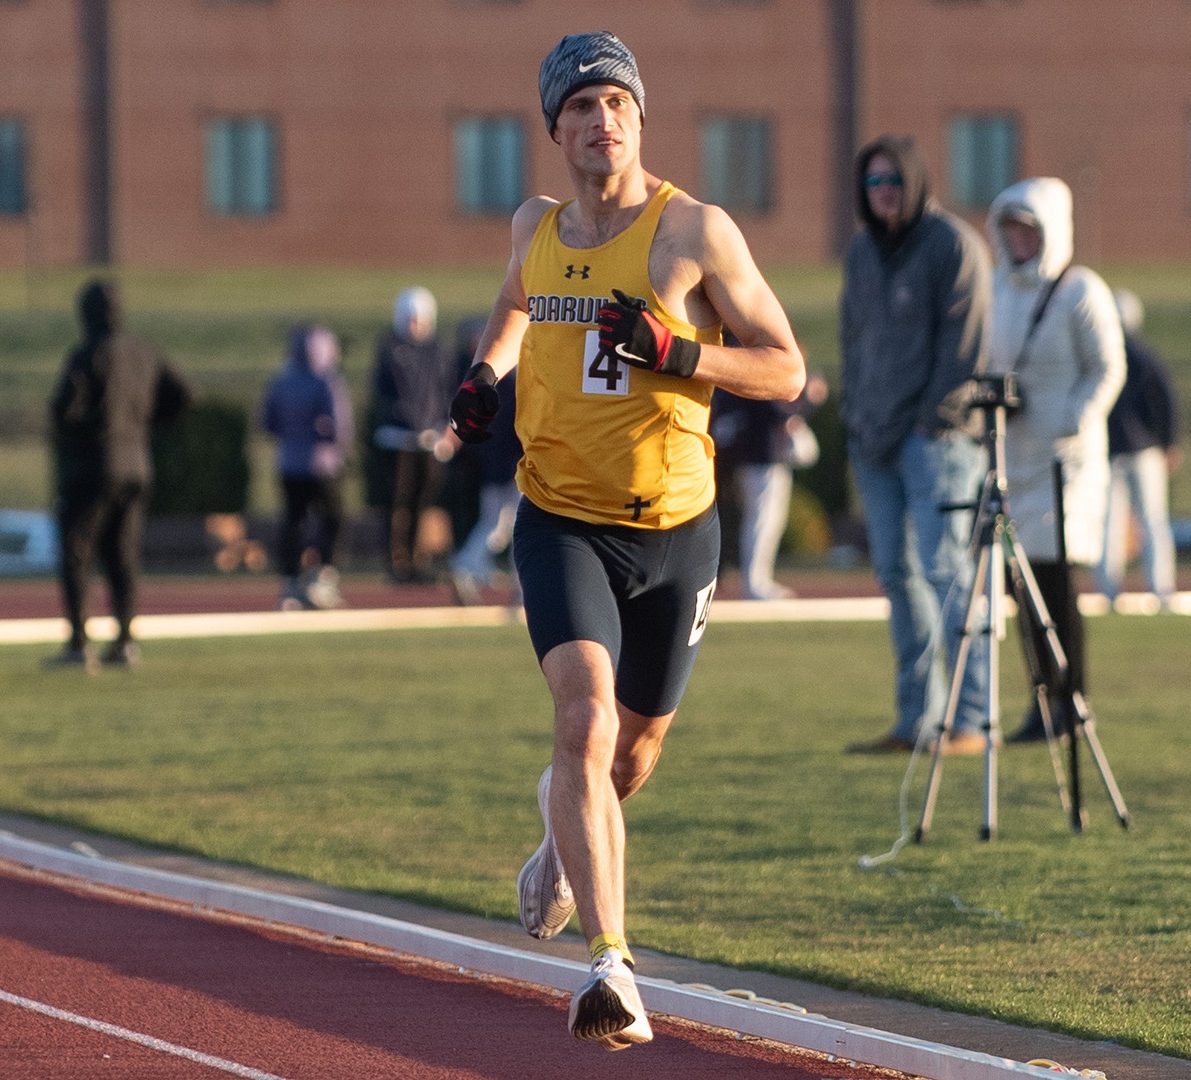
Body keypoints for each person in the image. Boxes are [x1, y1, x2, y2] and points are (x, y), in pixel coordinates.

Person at [445, 31, 804, 1051]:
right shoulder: (537, 226)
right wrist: (485, 379)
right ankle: (612, 964)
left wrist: (680, 353)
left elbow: (786, 370)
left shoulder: (692, 231)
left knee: (632, 757)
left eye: (619, 105)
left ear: (640, 119)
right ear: (554, 127)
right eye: (582, 108)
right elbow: (515, 307)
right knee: (586, 720)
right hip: (560, 519)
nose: (602, 122)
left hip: (675, 532)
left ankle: (561, 850)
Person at [837, 134, 995, 756]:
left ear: (916, 180)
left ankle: (974, 720)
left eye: (893, 181)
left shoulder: (952, 246)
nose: (884, 194)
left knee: (948, 574)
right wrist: (855, 414)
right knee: (898, 579)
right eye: (873, 183)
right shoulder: (861, 253)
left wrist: (929, 424)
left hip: (937, 443)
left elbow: (967, 351)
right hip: (873, 441)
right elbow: (853, 341)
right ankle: (916, 722)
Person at [983, 178, 1125, 745]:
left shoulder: (1081, 291)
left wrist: (1075, 417)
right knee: (1021, 587)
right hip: (1012, 455)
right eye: (1011, 228)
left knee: (1058, 584)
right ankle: (1040, 702)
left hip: (1066, 462)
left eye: (1030, 228)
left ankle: (1073, 700)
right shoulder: (998, 289)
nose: (1019, 239)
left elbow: (1108, 367)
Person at [47, 280, 191, 670]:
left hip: (94, 464)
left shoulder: (88, 355)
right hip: (137, 465)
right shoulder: (144, 352)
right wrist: (147, 426)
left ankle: (79, 644)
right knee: (124, 555)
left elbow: (66, 410)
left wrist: (82, 429)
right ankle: (125, 641)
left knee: (78, 552)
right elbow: (184, 394)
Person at [1095, 289, 1181, 608]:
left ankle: (1109, 591)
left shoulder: (1100, 356)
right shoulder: (1145, 357)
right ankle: (1161, 589)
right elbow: (1165, 403)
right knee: (1152, 520)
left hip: (1112, 450)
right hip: (1144, 450)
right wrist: (1169, 441)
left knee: (1109, 523)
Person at [711, 369, 826, 602]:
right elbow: (769, 409)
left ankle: (759, 580)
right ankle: (754, 583)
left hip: (766, 455)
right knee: (761, 521)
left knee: (769, 521)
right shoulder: (760, 374)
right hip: (760, 455)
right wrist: (805, 404)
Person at [370, 287, 459, 584]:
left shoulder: (438, 351)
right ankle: (397, 563)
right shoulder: (390, 350)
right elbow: (384, 393)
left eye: (419, 318)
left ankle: (418, 560)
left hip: (429, 441)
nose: (415, 325)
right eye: (409, 318)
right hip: (396, 440)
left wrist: (444, 428)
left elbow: (446, 390)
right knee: (397, 502)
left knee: (422, 502)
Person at [263, 323, 351, 611]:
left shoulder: (282, 379)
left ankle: (290, 582)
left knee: (293, 523)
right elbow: (339, 427)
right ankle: (322, 577)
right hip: (323, 465)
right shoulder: (327, 380)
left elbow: (267, 423)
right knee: (332, 520)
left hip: (289, 463)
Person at [448, 362, 523, 607]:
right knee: (513, 528)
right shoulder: (516, 387)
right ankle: (468, 567)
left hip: (495, 467)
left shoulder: (495, 387)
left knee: (496, 525)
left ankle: (467, 566)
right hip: (515, 468)